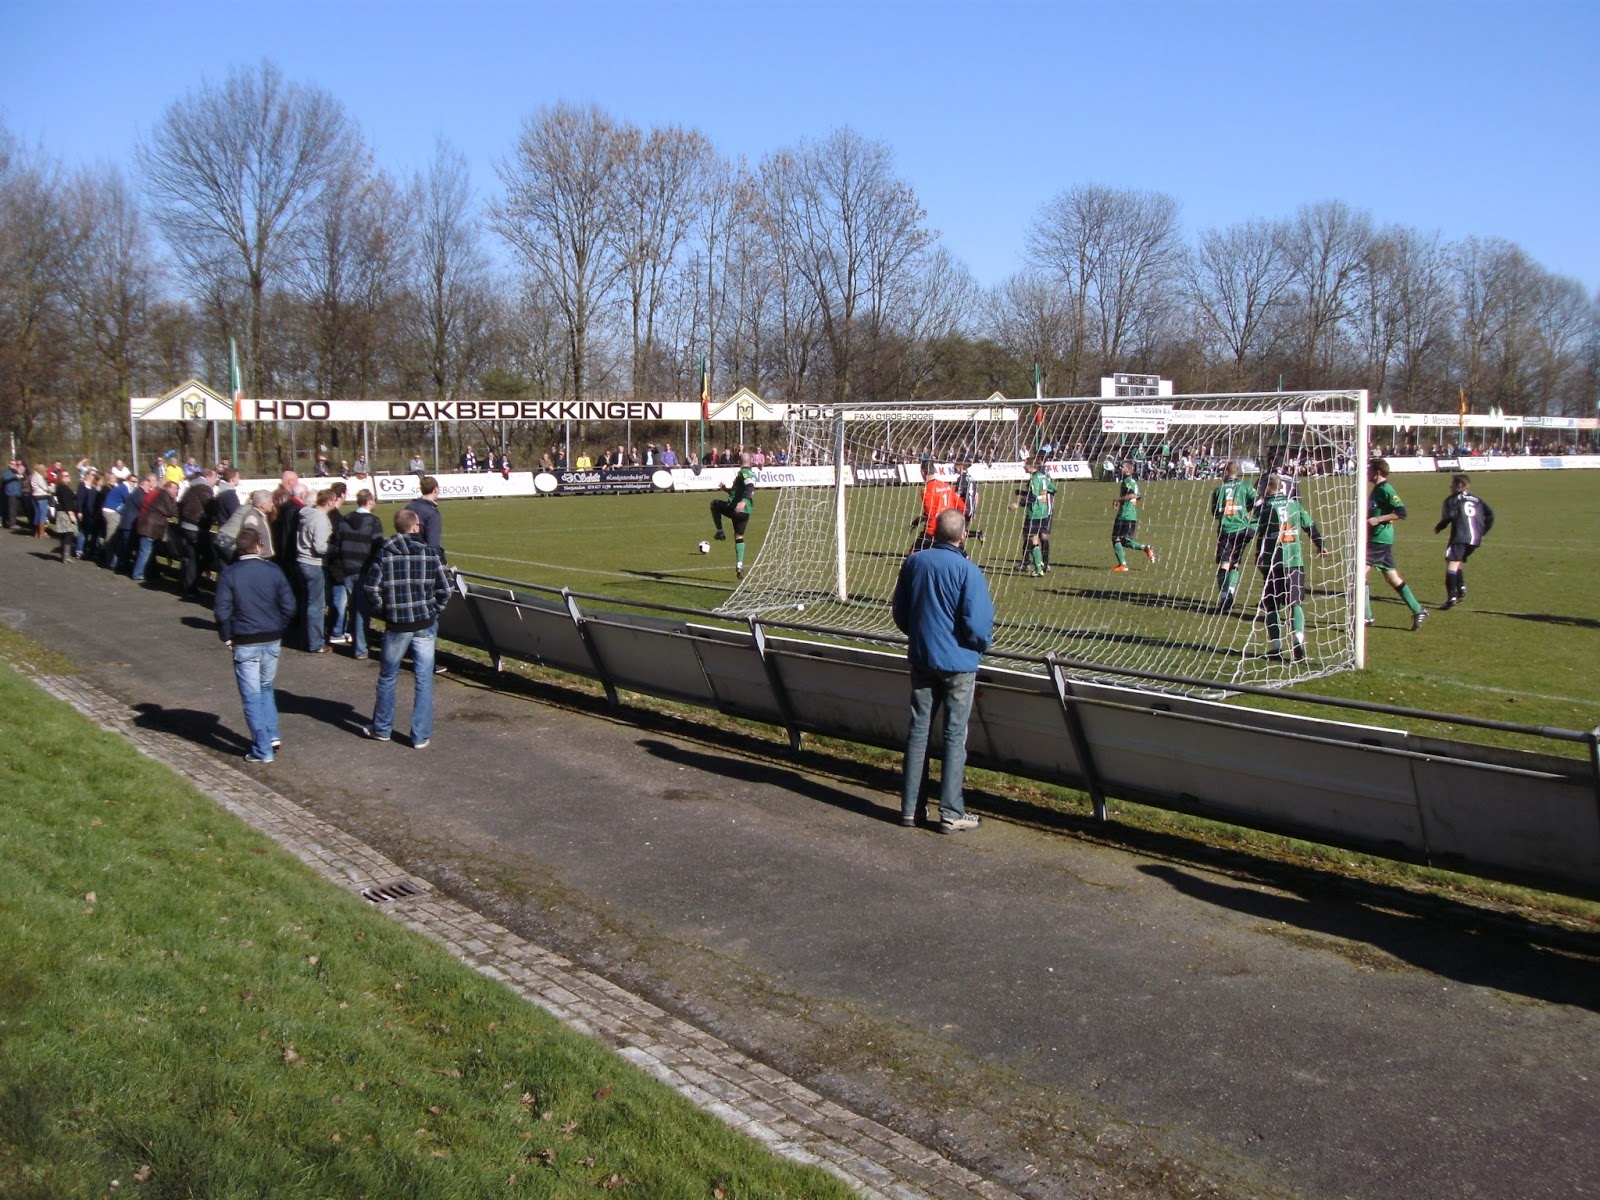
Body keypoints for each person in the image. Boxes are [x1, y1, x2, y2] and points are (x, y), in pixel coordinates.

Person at [891, 508, 993, 834]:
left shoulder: (914, 563)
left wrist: (920, 636)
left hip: (922, 657)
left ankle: (910, 808)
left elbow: (901, 612)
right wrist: (978, 645)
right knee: (954, 736)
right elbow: (977, 625)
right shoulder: (969, 571)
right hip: (958, 664)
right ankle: (950, 811)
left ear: (933, 532)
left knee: (919, 732)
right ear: (963, 536)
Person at [361, 507, 452, 748]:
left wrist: (385, 609)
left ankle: (382, 728)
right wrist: (434, 609)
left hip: (399, 623)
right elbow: (446, 587)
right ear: (414, 527)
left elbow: (371, 588)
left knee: (388, 676)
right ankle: (420, 735)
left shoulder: (385, 553)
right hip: (423, 621)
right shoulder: (429, 554)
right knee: (423, 679)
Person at [214, 527, 297, 764]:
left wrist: (227, 636)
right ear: (259, 546)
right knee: (265, 686)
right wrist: (277, 626)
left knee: (252, 694)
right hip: (270, 638)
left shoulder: (230, 574)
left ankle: (262, 748)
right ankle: (270, 734)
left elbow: (222, 611)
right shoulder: (273, 571)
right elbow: (289, 606)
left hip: (246, 640)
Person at [1254, 472, 1329, 661]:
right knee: (1295, 603)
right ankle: (1298, 643)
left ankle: (1277, 648)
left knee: (1272, 606)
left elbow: (1257, 533)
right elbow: (1310, 526)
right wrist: (1320, 544)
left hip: (1274, 561)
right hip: (1295, 561)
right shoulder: (1294, 504)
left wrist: (1258, 557)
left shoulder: (1264, 507)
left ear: (1269, 487)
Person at [1364, 459, 1426, 630]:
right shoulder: (1377, 490)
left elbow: (1401, 512)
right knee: (1392, 578)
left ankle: (1366, 616)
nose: (1367, 473)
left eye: (1369, 470)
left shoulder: (1386, 489)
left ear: (1377, 472)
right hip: (1380, 539)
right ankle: (1417, 609)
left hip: (1379, 540)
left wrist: (1378, 519)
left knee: (1359, 575)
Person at [331, 488, 383, 657]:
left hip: (347, 568)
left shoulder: (344, 520)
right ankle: (360, 648)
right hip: (364, 570)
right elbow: (378, 547)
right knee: (362, 610)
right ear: (369, 501)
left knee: (353, 607)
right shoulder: (373, 522)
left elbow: (337, 545)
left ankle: (356, 642)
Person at [1434, 472, 1494, 610]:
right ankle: (1461, 587)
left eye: (1453, 484)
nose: (1450, 486)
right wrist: (1482, 531)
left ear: (1460, 485)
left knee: (1452, 564)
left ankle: (1452, 597)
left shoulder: (1452, 500)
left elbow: (1449, 516)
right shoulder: (1477, 500)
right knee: (1457, 560)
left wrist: (1440, 526)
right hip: (1475, 538)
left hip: (1460, 536)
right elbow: (1491, 515)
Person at [1211, 461, 1258, 611]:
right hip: (1242, 530)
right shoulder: (1245, 486)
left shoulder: (1219, 490)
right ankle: (1230, 591)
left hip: (1226, 530)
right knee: (1235, 563)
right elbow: (1258, 502)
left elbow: (1215, 513)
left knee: (1224, 563)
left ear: (1225, 472)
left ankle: (1224, 596)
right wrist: (1246, 512)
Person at [295, 488, 337, 653]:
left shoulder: (307, 514)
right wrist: (334, 548)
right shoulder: (320, 518)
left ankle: (307, 638)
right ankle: (316, 643)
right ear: (329, 502)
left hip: (302, 560)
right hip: (313, 563)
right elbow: (320, 547)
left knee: (307, 602)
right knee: (316, 605)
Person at [710, 451, 757, 577]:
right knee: (739, 537)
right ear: (750, 462)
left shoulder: (744, 472)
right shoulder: (750, 473)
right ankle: (739, 566)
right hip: (746, 513)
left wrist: (743, 501)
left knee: (714, 504)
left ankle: (720, 532)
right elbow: (738, 491)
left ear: (739, 462)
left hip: (736, 509)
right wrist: (726, 489)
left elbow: (750, 487)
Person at [1009, 457, 1055, 577]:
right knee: (1035, 537)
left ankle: (1038, 569)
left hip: (1034, 513)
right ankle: (1040, 566)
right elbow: (1053, 489)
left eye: (1026, 465)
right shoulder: (1043, 477)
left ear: (1031, 466)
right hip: (1045, 512)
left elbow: (1033, 497)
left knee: (1032, 538)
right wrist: (1023, 493)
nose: (1024, 467)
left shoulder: (1033, 479)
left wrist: (1018, 504)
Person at [1109, 458, 1156, 572]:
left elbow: (1132, 496)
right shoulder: (1133, 481)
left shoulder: (1127, 481)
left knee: (1116, 539)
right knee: (1124, 541)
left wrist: (1118, 500)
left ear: (1129, 469)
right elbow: (1138, 496)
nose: (1121, 468)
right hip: (1131, 515)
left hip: (1125, 515)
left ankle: (1123, 565)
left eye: (1123, 467)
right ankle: (1146, 548)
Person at [909, 457, 963, 554]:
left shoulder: (926, 490)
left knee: (913, 554)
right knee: (958, 553)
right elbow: (961, 506)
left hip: (933, 529)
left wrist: (917, 520)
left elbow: (930, 512)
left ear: (922, 472)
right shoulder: (947, 486)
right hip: (949, 527)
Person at [131, 478, 179, 582]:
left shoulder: (162, 495)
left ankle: (144, 571)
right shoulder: (165, 496)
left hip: (150, 526)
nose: (177, 491)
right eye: (175, 488)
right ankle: (137, 573)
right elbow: (171, 511)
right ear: (169, 488)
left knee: (147, 551)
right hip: (150, 527)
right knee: (145, 551)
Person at [411, 475, 444, 562]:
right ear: (436, 489)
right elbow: (433, 543)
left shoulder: (409, 507)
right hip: (424, 558)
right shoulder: (432, 512)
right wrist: (441, 561)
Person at [953, 456, 983, 544]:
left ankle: (964, 555)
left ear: (960, 466)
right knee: (959, 534)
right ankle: (978, 534)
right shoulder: (972, 479)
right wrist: (973, 511)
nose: (954, 468)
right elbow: (976, 496)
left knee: (956, 535)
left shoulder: (961, 479)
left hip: (963, 510)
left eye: (955, 466)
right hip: (970, 511)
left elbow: (957, 496)